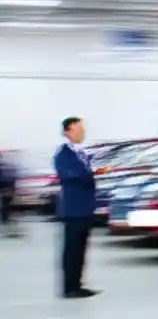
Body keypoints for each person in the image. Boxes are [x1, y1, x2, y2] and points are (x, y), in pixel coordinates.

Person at [53, 117, 100, 299]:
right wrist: (90, 173)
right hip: (73, 209)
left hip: (85, 208)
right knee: (72, 250)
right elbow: (68, 175)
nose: (82, 132)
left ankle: (78, 284)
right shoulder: (63, 154)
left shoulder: (81, 153)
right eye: (78, 128)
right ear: (67, 131)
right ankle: (69, 287)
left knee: (81, 249)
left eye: (83, 128)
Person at [0, 149, 20, 237]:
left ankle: (7, 224)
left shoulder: (4, 167)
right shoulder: (6, 167)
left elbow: (8, 179)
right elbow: (12, 179)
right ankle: (7, 224)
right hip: (7, 190)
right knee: (6, 209)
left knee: (5, 209)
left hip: (6, 190)